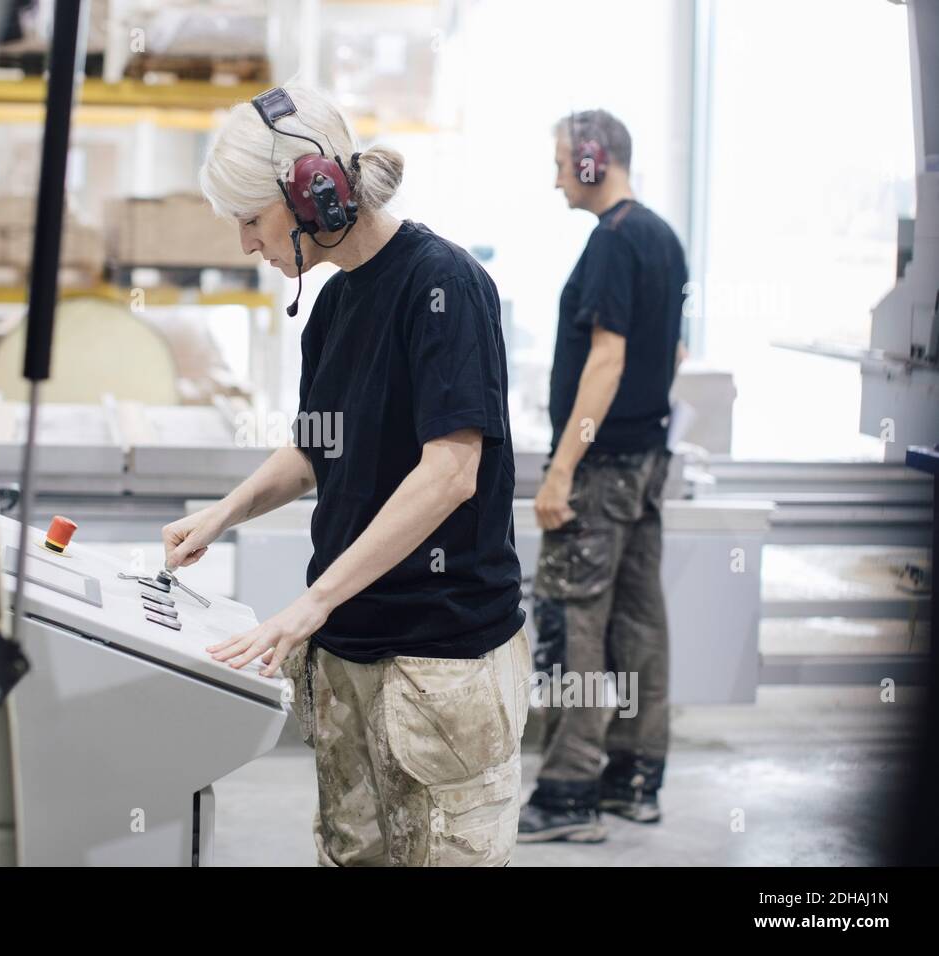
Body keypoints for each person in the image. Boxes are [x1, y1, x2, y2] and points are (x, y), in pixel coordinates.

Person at [163, 84, 530, 866]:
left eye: (252, 220)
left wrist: (310, 602)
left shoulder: (445, 287)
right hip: (347, 654)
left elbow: (451, 472)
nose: (245, 244)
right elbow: (313, 450)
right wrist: (222, 513)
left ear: (313, 196)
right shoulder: (332, 307)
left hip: (439, 661)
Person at [518, 109, 687, 843]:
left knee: (571, 620)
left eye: (561, 161)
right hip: (646, 464)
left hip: (601, 470)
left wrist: (562, 470)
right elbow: (672, 355)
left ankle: (566, 792)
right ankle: (635, 778)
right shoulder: (661, 236)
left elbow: (609, 360)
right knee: (639, 620)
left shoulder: (613, 242)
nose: (555, 175)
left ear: (592, 160)